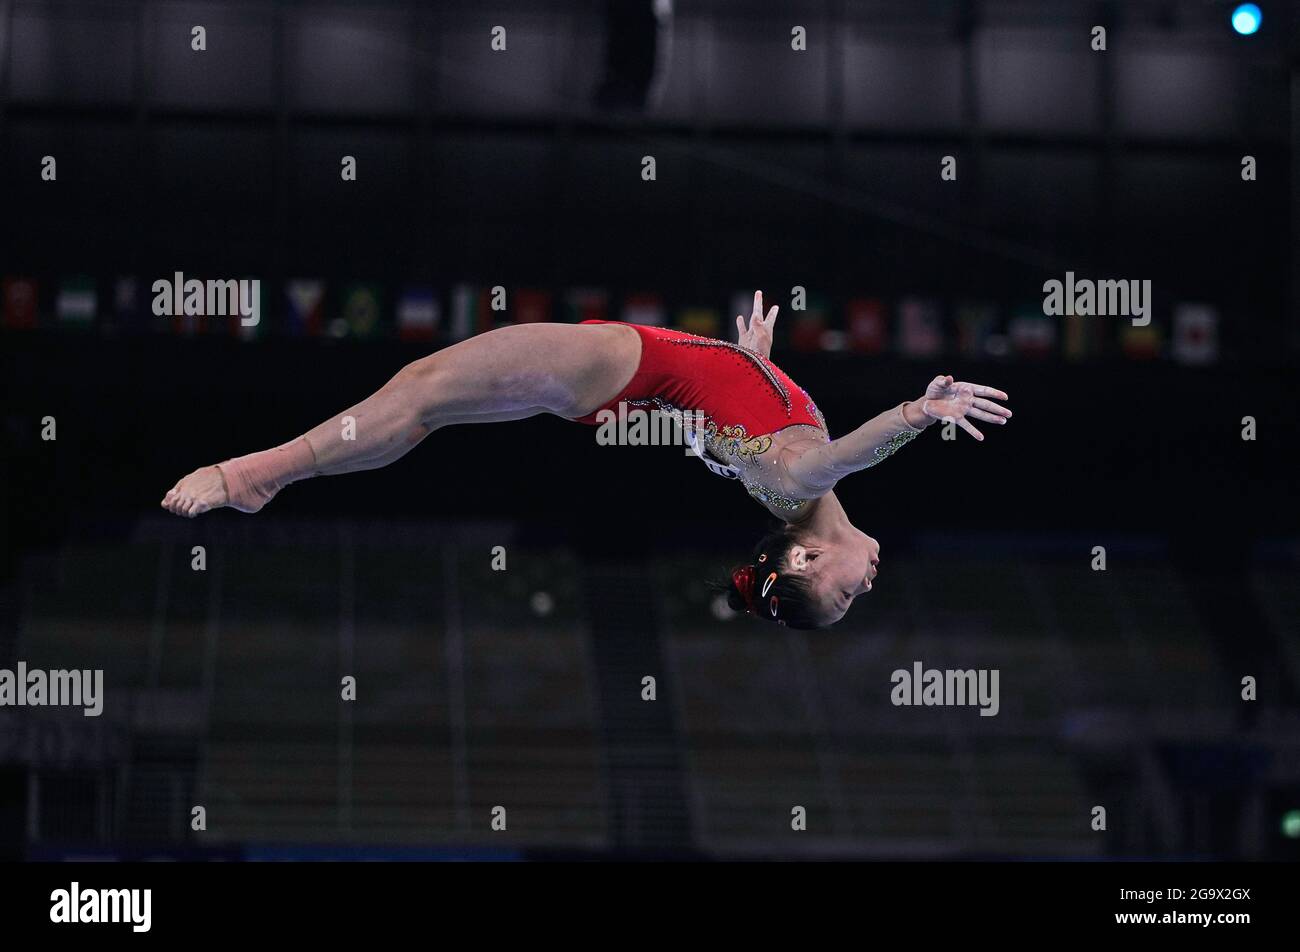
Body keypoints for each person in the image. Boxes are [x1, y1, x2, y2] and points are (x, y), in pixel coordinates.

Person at [162, 291, 1011, 627]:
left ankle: (255, 476)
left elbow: (848, 453)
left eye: (838, 594)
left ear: (806, 556)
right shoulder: (786, 484)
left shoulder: (798, 482)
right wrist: (757, 358)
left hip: (617, 364)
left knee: (420, 391)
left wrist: (916, 413)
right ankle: (262, 478)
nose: (863, 588)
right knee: (423, 408)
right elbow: (739, 415)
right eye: (849, 600)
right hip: (617, 375)